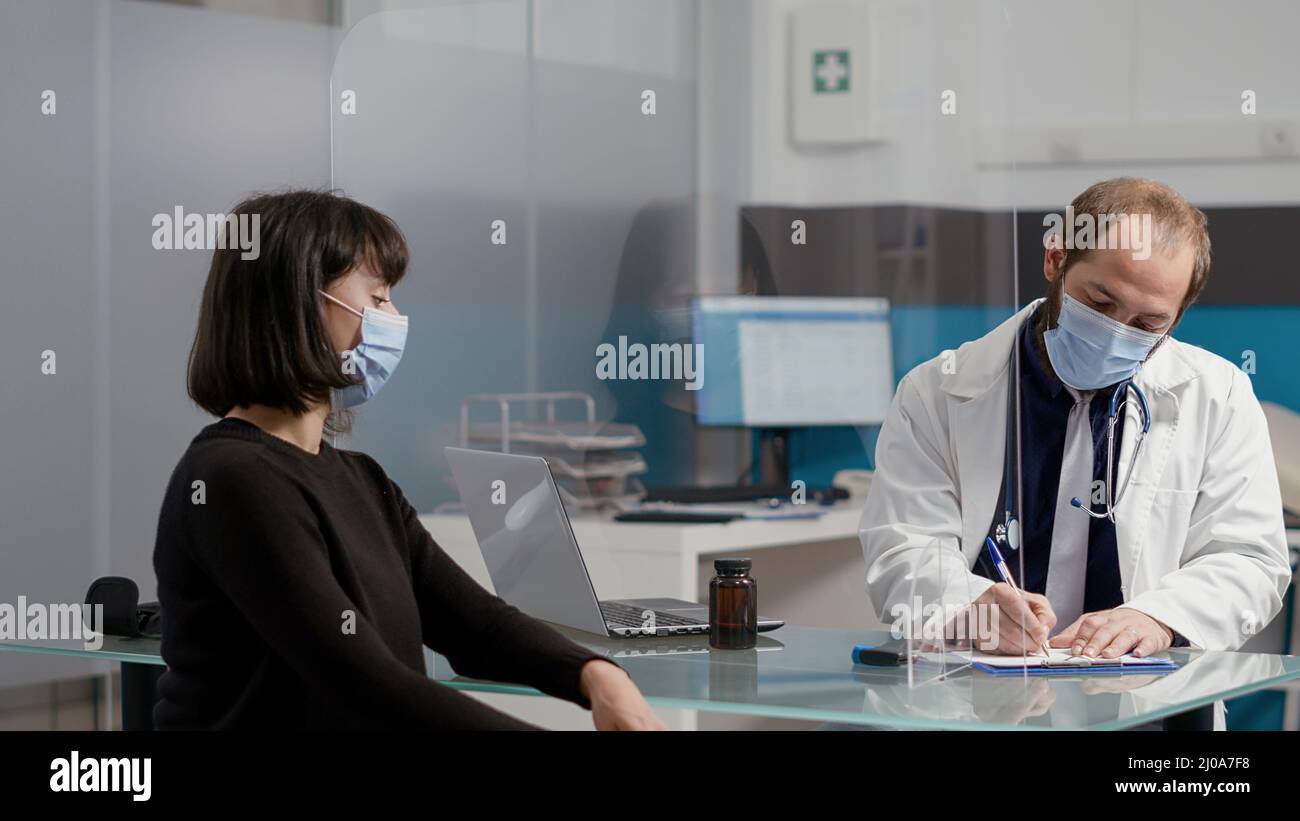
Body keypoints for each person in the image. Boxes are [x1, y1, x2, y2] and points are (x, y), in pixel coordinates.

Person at [153, 189, 665, 730]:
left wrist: (597, 676)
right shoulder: (232, 480)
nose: (394, 318)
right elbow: (364, 685)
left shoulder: (362, 479)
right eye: (377, 299)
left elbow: (475, 627)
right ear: (300, 303)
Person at [859, 178, 1290, 729]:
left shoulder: (1219, 395)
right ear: (1056, 257)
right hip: (973, 701)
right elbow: (902, 550)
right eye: (1100, 302)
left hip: (1150, 715)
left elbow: (1250, 559)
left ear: (1177, 317)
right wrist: (969, 606)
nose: (1115, 333)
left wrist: (1156, 617)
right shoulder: (936, 392)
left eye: (1147, 324)